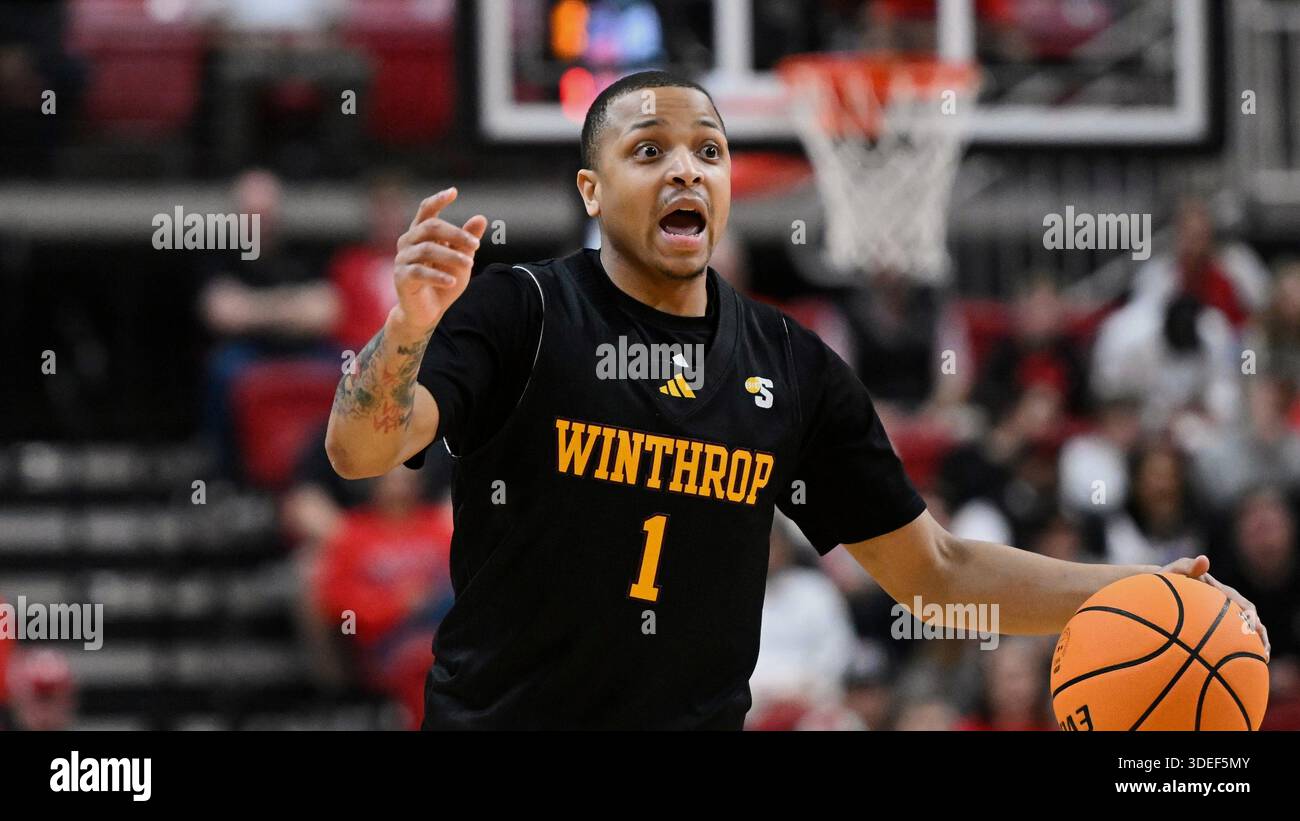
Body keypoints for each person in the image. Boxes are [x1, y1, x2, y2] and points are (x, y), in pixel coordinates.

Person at [323, 70, 1270, 730]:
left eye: (709, 150)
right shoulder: (520, 313)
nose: (686, 168)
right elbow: (361, 450)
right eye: (648, 151)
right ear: (590, 190)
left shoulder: (791, 363)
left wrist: (1128, 592)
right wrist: (404, 330)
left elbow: (933, 573)